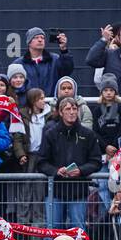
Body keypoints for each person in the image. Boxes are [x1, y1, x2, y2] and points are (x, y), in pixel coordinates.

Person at [37, 97, 101, 231]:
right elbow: (41, 161)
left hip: (78, 191)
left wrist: (81, 170)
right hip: (55, 190)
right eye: (67, 109)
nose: (72, 112)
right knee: (52, 230)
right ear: (60, 112)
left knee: (78, 229)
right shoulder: (50, 134)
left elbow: (96, 161)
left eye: (74, 109)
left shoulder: (88, 134)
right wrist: (56, 171)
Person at [19, 27, 73, 96]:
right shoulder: (19, 64)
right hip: (29, 104)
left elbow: (67, 71)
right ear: (29, 42)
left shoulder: (55, 59)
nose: (40, 40)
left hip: (51, 103)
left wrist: (64, 50)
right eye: (36, 37)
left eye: (42, 38)